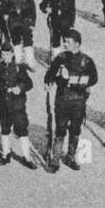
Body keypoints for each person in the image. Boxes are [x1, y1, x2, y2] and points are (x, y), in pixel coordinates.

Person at [43, 30, 98, 171]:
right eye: (64, 41)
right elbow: (49, 73)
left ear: (77, 43)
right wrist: (49, 81)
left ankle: (70, 157)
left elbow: (94, 79)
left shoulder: (87, 60)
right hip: (62, 100)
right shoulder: (60, 58)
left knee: (75, 130)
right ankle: (55, 160)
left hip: (78, 101)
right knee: (60, 129)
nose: (64, 44)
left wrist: (73, 80)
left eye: (68, 42)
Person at [0, 42, 35, 169]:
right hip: (3, 104)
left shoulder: (20, 68)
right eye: (3, 54)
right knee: (4, 129)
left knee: (22, 130)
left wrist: (20, 88)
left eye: (7, 54)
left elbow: (29, 83)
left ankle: (27, 157)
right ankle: (6, 154)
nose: (5, 57)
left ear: (12, 54)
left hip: (17, 105)